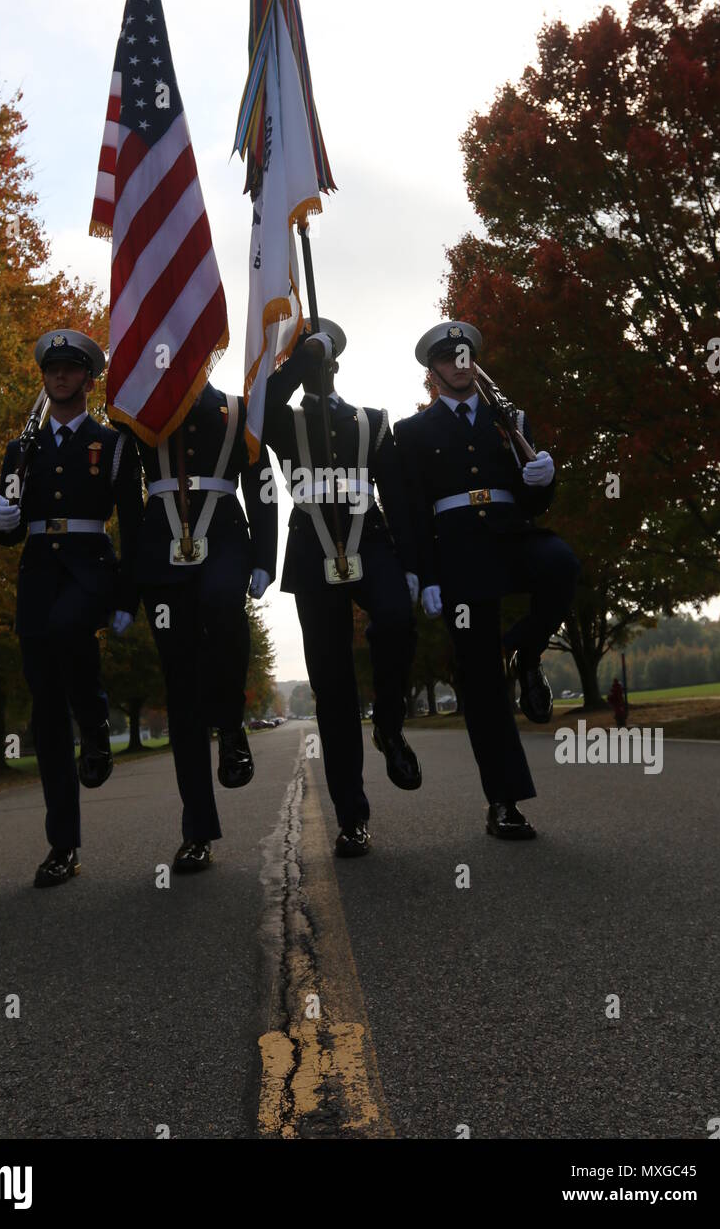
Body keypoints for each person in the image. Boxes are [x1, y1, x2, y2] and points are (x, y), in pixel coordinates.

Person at [394, 320, 579, 840]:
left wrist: (544, 478)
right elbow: (409, 511)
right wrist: (423, 573)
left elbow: (535, 500)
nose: (459, 366)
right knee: (480, 681)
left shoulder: (508, 419)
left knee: (562, 565)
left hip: (511, 535)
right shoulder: (413, 433)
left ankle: (524, 649)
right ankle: (504, 802)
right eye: (449, 360)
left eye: (465, 357)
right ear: (433, 371)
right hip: (457, 553)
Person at [0, 329, 142, 887]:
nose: (59, 376)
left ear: (89, 378)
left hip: (89, 567)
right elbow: (7, 519)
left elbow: (135, 526)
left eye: (71, 368)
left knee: (69, 628)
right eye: (52, 369)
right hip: (38, 575)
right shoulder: (20, 449)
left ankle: (96, 718)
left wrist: (128, 596)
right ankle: (63, 846)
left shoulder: (115, 444)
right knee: (46, 710)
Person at [263, 318, 420, 859]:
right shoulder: (281, 424)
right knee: (332, 688)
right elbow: (261, 400)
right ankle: (353, 817)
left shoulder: (373, 421)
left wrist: (414, 563)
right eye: (309, 361)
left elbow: (395, 496)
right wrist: (295, 360)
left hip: (370, 541)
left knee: (397, 620)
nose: (316, 369)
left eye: (323, 359)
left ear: (337, 362)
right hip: (311, 550)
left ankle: (391, 726)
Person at [127, 377, 277, 874]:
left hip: (225, 537)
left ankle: (232, 722)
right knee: (181, 688)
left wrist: (265, 556)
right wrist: (129, 577)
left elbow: (260, 483)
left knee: (221, 605)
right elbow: (126, 496)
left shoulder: (236, 411)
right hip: (159, 547)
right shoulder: (140, 409)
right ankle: (197, 832)